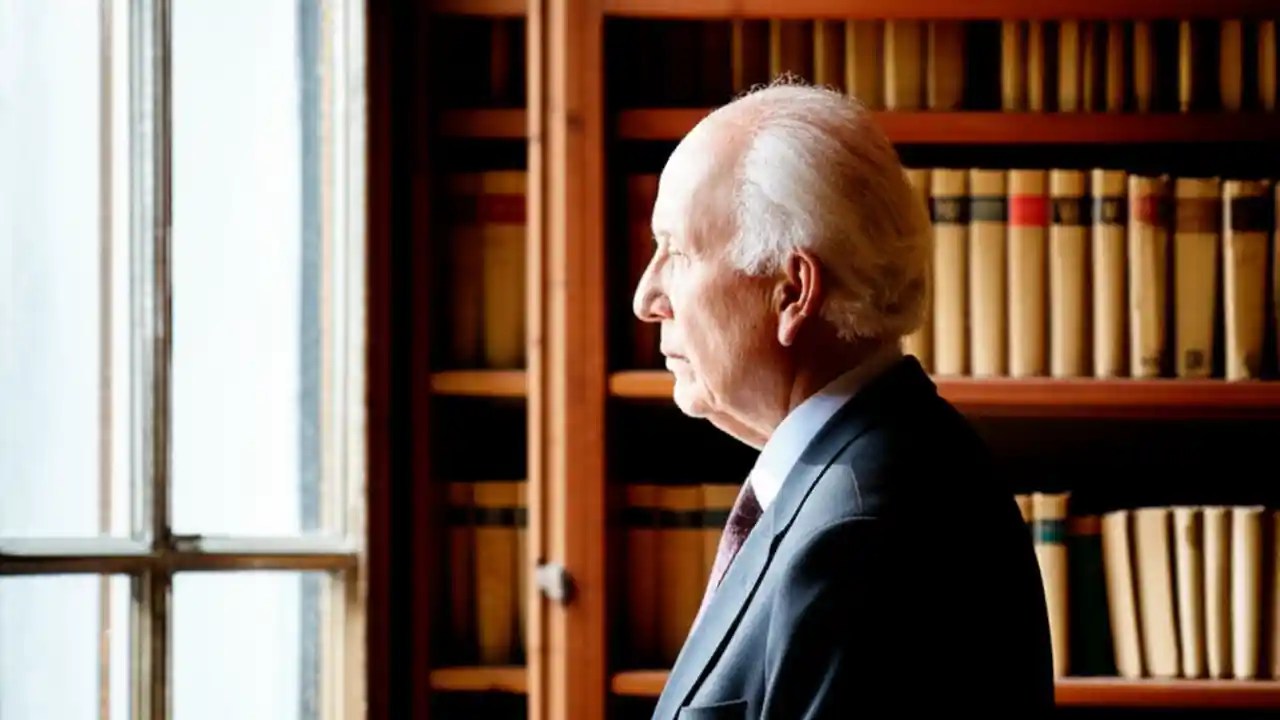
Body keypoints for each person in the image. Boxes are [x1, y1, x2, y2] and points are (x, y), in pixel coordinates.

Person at [631, 80, 1055, 719]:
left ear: (792, 292)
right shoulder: (880, 465)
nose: (646, 297)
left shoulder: (857, 538)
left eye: (679, 253)